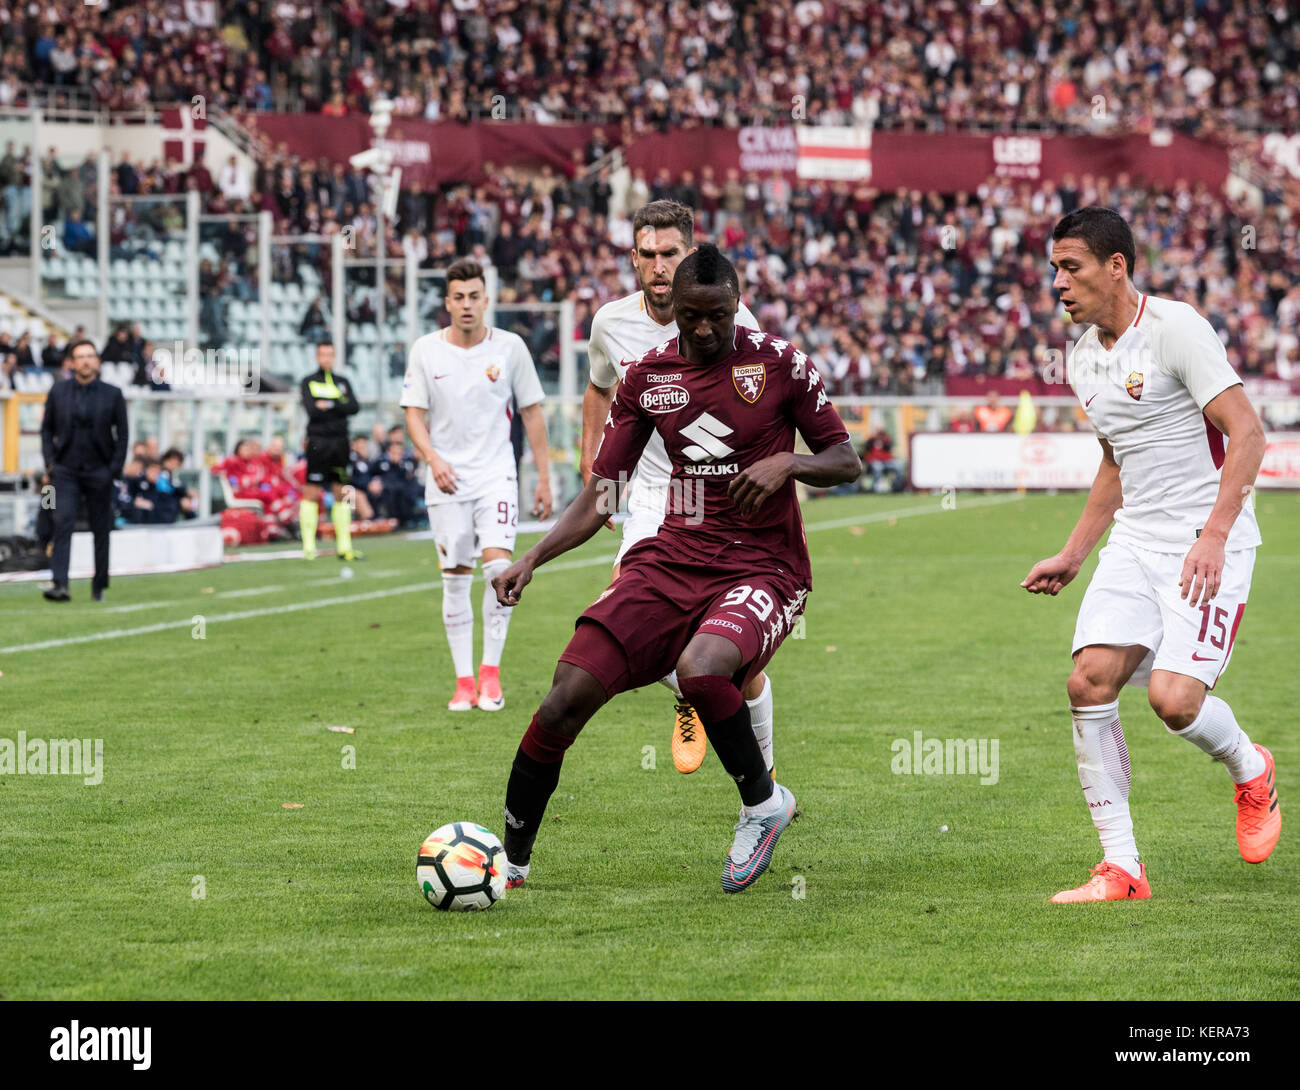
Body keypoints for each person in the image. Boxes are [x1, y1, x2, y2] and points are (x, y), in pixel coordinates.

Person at [493, 245, 860, 892]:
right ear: (678, 313)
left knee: (701, 669)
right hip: (672, 557)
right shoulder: (646, 379)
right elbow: (603, 494)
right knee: (565, 695)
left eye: (719, 315)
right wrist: (533, 557)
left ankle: (762, 804)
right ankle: (511, 864)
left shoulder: (779, 364)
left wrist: (790, 464)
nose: (707, 329)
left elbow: (844, 458)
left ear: (736, 304)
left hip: (766, 566)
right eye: (694, 316)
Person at [1021, 206, 1277, 903]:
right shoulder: (1081, 358)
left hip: (1208, 544)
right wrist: (1075, 552)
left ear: (1117, 267)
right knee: (1088, 682)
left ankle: (1252, 767)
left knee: (1173, 701)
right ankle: (1122, 868)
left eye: (1070, 267)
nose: (1059, 283)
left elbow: (1248, 434)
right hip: (1137, 540)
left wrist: (1215, 535)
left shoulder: (1177, 328)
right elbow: (1115, 464)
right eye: (1053, 270)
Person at [581, 199, 775, 777]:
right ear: (633, 259)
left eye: (671, 254)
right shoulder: (610, 323)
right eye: (649, 255)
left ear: (691, 255)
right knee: (622, 606)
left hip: (717, 493)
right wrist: (596, 468)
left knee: (742, 664)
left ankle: (761, 780)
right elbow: (597, 388)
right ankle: (688, 692)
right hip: (648, 491)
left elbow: (761, 408)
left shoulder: (737, 323)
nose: (659, 266)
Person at [402, 257, 554, 713]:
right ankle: (463, 682)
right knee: (454, 580)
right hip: (446, 481)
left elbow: (531, 411)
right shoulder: (426, 350)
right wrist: (433, 460)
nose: (467, 305)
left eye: (474, 296)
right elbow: (413, 412)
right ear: (447, 303)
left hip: (496, 477)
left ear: (486, 300)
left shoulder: (510, 348)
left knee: (498, 572)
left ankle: (491, 674)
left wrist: (543, 477)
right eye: (458, 297)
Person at [39, 339, 127, 601]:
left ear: (97, 361)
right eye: (80, 356)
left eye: (90, 356)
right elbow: (46, 430)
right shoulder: (58, 391)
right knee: (61, 522)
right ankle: (60, 584)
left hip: (100, 469)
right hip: (65, 470)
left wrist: (113, 468)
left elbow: (122, 435)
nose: (86, 361)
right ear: (72, 362)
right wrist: (50, 462)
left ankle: (98, 585)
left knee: (101, 528)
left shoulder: (113, 394)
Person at [298, 341, 362, 561]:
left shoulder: (343, 382)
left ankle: (344, 546)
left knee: (342, 491)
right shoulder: (308, 382)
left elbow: (353, 407)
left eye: (330, 354)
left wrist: (330, 404)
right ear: (317, 356)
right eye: (322, 354)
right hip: (318, 443)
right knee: (312, 491)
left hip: (340, 444)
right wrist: (337, 405)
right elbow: (312, 410)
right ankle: (309, 547)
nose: (326, 358)